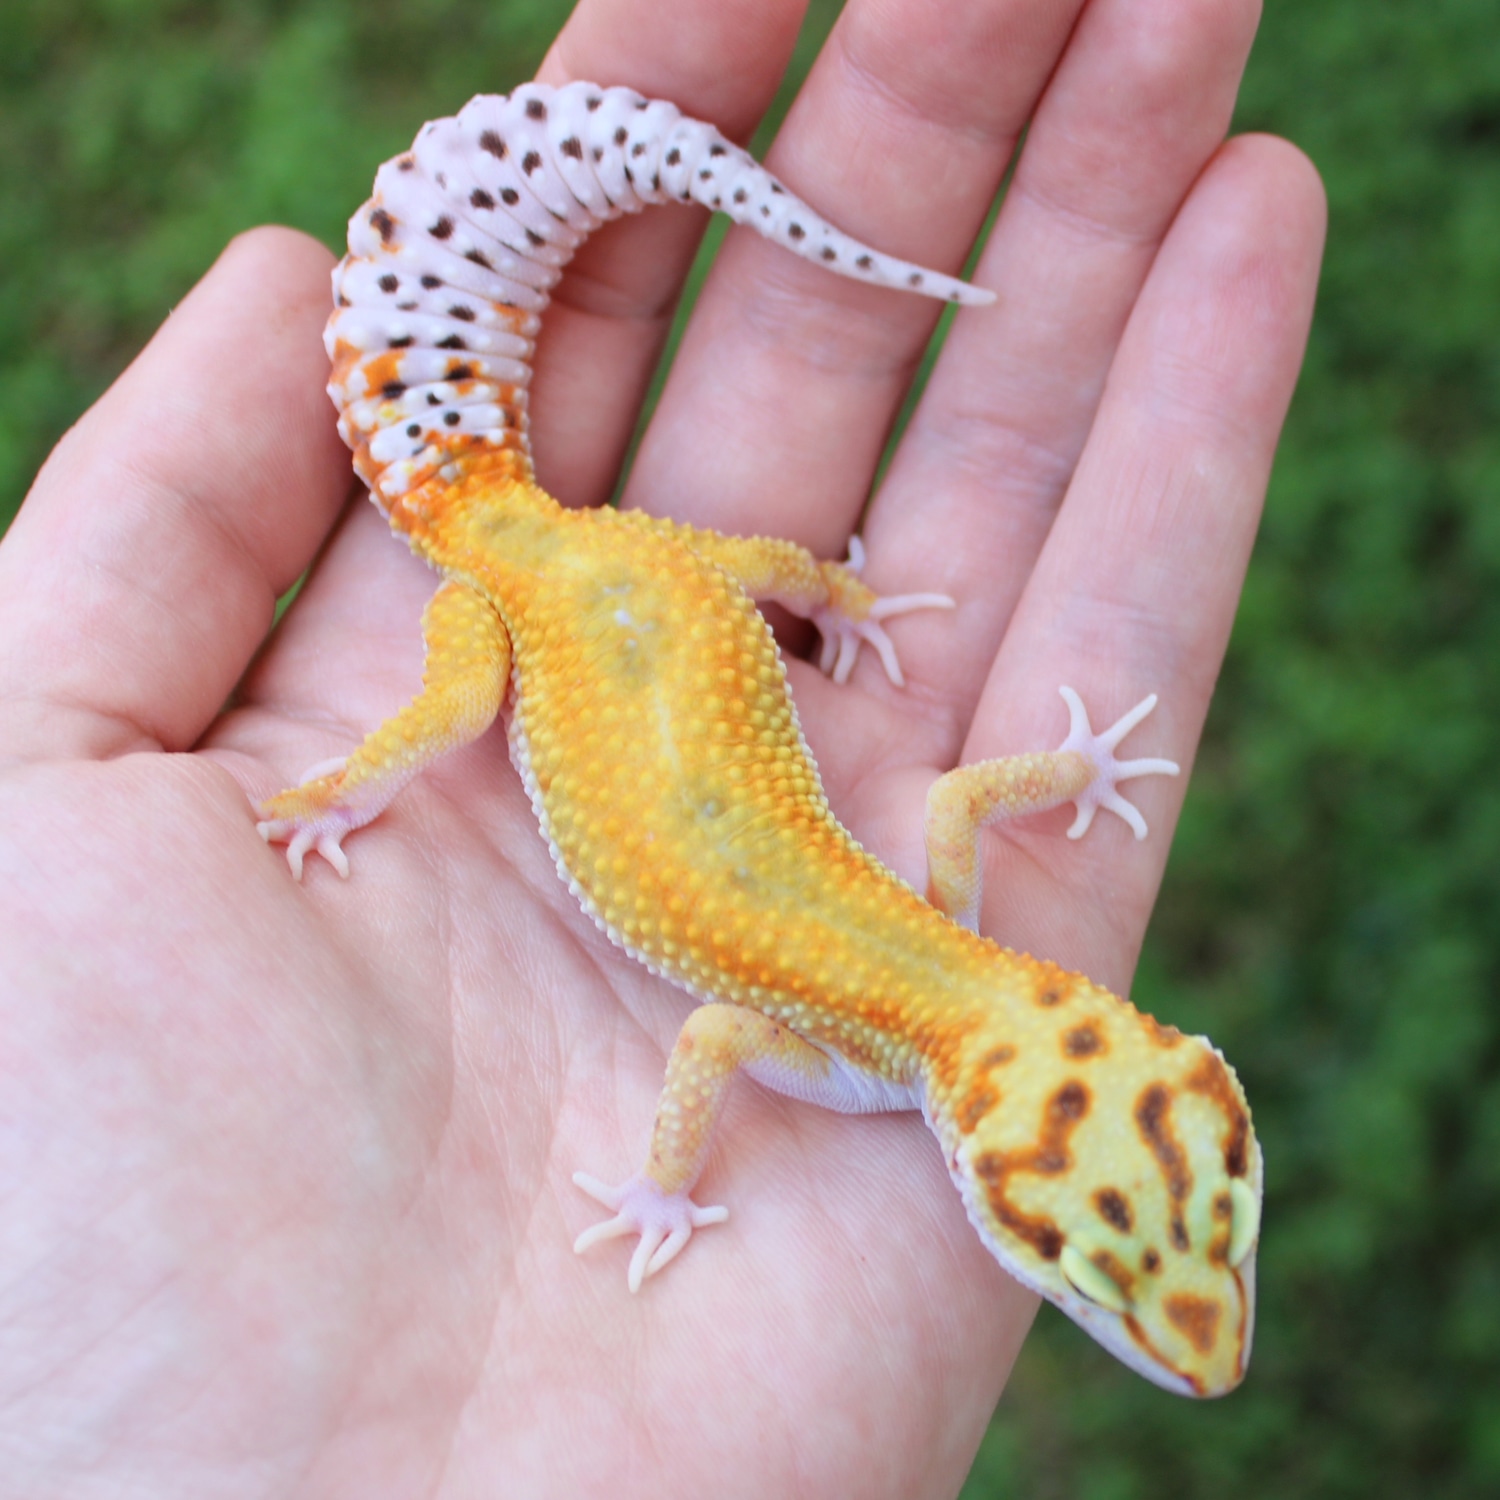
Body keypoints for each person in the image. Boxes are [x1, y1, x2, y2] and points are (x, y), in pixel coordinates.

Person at [0, 0, 1323, 1492]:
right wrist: (656, 1184)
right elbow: (719, 1027)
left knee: (674, 596)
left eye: (1109, 1275)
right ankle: (339, 793)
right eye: (1091, 1274)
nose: (1176, 1331)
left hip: (650, 580)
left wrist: (1015, 740)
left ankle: (777, 580)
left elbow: (935, 825)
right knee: (442, 721)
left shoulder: (932, 954)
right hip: (518, 582)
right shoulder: (861, 1043)